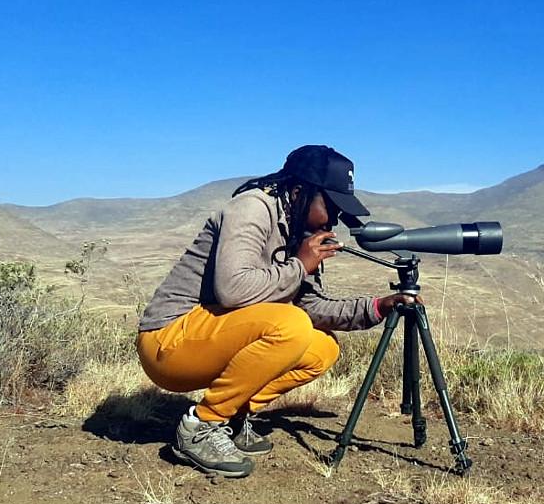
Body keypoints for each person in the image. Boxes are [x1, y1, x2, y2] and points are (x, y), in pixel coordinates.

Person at [136, 145, 417, 478]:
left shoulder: (299, 230)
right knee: (290, 325)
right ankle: (202, 425)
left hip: (208, 336)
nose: (333, 220)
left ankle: (233, 415)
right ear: (298, 192)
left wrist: (376, 307)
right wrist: (300, 265)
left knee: (321, 347)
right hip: (167, 342)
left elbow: (311, 308)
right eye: (330, 207)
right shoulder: (252, 208)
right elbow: (232, 289)